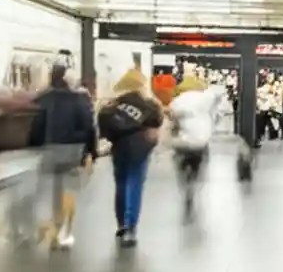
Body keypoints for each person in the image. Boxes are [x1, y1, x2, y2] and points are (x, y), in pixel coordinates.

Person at [31, 64, 96, 249]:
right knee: (68, 191)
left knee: (51, 190)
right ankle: (63, 233)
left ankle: (50, 227)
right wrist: (90, 151)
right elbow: (88, 126)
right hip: (72, 150)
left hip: (49, 149)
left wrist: (35, 146)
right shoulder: (79, 99)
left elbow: (35, 126)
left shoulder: (42, 98)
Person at [98, 69, 163, 247]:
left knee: (120, 184)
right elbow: (155, 127)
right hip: (140, 148)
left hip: (119, 148)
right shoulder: (149, 104)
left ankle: (121, 225)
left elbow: (103, 126)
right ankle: (130, 227)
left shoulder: (112, 105)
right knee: (134, 184)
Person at [168, 76, 218, 218]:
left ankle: (185, 184)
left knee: (180, 163)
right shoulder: (204, 99)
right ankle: (193, 182)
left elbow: (173, 121)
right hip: (200, 141)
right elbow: (214, 96)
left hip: (181, 142)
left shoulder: (176, 102)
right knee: (198, 164)